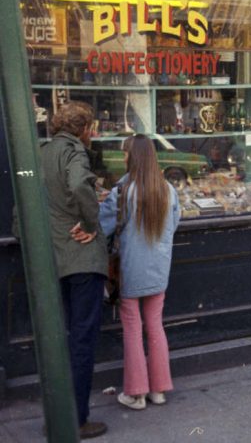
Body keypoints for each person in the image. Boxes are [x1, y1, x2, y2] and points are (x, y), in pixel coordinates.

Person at [40, 101, 109, 439]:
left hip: (53, 258)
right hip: (81, 257)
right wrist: (91, 223)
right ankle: (76, 419)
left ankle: (56, 416)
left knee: (59, 339)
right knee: (82, 339)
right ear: (83, 129)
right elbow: (80, 184)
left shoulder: (43, 152)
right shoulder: (74, 151)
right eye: (90, 127)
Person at [98, 134, 180, 411]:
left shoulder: (123, 191)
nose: (123, 157)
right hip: (158, 268)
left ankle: (136, 393)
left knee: (132, 328)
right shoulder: (168, 190)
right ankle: (159, 390)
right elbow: (174, 224)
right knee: (155, 325)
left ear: (131, 158)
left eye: (125, 153)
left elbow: (103, 226)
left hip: (130, 269)